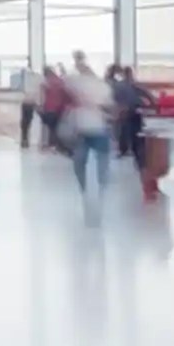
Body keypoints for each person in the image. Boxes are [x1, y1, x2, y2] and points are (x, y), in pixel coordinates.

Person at [64, 52, 113, 223]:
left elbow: (68, 82)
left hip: (88, 129)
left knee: (81, 162)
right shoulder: (98, 86)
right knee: (96, 161)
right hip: (92, 129)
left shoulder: (90, 86)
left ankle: (90, 188)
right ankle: (98, 188)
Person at [39, 67, 68, 153]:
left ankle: (51, 145)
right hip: (61, 108)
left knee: (50, 128)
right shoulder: (61, 81)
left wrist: (40, 106)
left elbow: (42, 97)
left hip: (49, 108)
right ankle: (57, 145)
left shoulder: (45, 83)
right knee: (57, 127)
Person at [17, 66, 42, 149]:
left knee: (25, 122)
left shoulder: (26, 79)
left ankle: (25, 140)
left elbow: (22, 89)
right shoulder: (39, 78)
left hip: (27, 102)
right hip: (33, 102)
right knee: (28, 122)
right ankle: (27, 140)